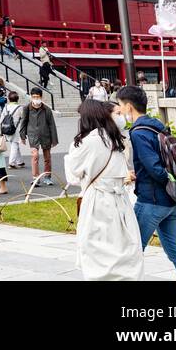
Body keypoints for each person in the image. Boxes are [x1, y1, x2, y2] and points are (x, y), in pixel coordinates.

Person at [116, 85, 176, 281]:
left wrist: (159, 179)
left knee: (133, 251)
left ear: (129, 107)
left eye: (120, 106)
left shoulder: (138, 132)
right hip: (170, 202)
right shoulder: (157, 126)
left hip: (152, 200)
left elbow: (154, 167)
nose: (120, 111)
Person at [65, 98, 143, 280]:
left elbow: (73, 176)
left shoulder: (87, 142)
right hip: (120, 201)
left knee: (97, 252)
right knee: (124, 249)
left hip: (97, 201)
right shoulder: (114, 138)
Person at [17, 87, 58, 187]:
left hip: (45, 135)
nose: (36, 98)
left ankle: (47, 177)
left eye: (37, 97)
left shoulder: (46, 109)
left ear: (41, 97)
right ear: (31, 97)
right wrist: (22, 136)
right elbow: (24, 122)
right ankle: (35, 178)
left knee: (47, 157)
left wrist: (54, 139)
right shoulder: (27, 108)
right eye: (34, 97)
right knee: (35, 155)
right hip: (33, 135)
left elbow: (52, 124)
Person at [2, 91, 25, 168]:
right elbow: (24, 119)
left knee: (14, 144)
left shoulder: (5, 107)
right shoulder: (20, 108)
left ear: (9, 99)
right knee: (15, 144)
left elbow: (2, 118)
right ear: (17, 99)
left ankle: (20, 162)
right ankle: (11, 162)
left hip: (6, 127)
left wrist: (0, 130)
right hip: (16, 129)